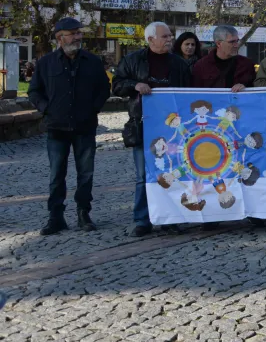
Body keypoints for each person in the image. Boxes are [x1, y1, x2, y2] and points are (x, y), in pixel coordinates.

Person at [28, 18, 112, 235]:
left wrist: (93, 109)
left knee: (86, 174)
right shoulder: (46, 63)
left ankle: (84, 213)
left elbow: (104, 88)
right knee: (57, 174)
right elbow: (34, 91)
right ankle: (55, 216)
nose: (77, 37)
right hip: (57, 128)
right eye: (72, 33)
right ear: (60, 38)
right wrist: (47, 108)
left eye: (78, 33)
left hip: (85, 127)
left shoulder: (92, 61)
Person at [113, 21, 191, 237]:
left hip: (172, 129)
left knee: (170, 173)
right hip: (143, 125)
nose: (169, 39)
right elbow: (117, 85)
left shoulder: (179, 64)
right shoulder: (132, 61)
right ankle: (142, 220)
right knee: (143, 176)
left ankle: (170, 218)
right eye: (165, 36)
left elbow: (189, 91)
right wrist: (134, 85)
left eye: (170, 36)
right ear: (150, 39)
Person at [190, 25, 256, 91]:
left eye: (237, 41)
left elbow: (255, 91)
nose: (236, 45)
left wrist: (245, 88)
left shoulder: (247, 64)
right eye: (232, 42)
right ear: (218, 43)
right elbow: (196, 93)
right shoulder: (201, 66)